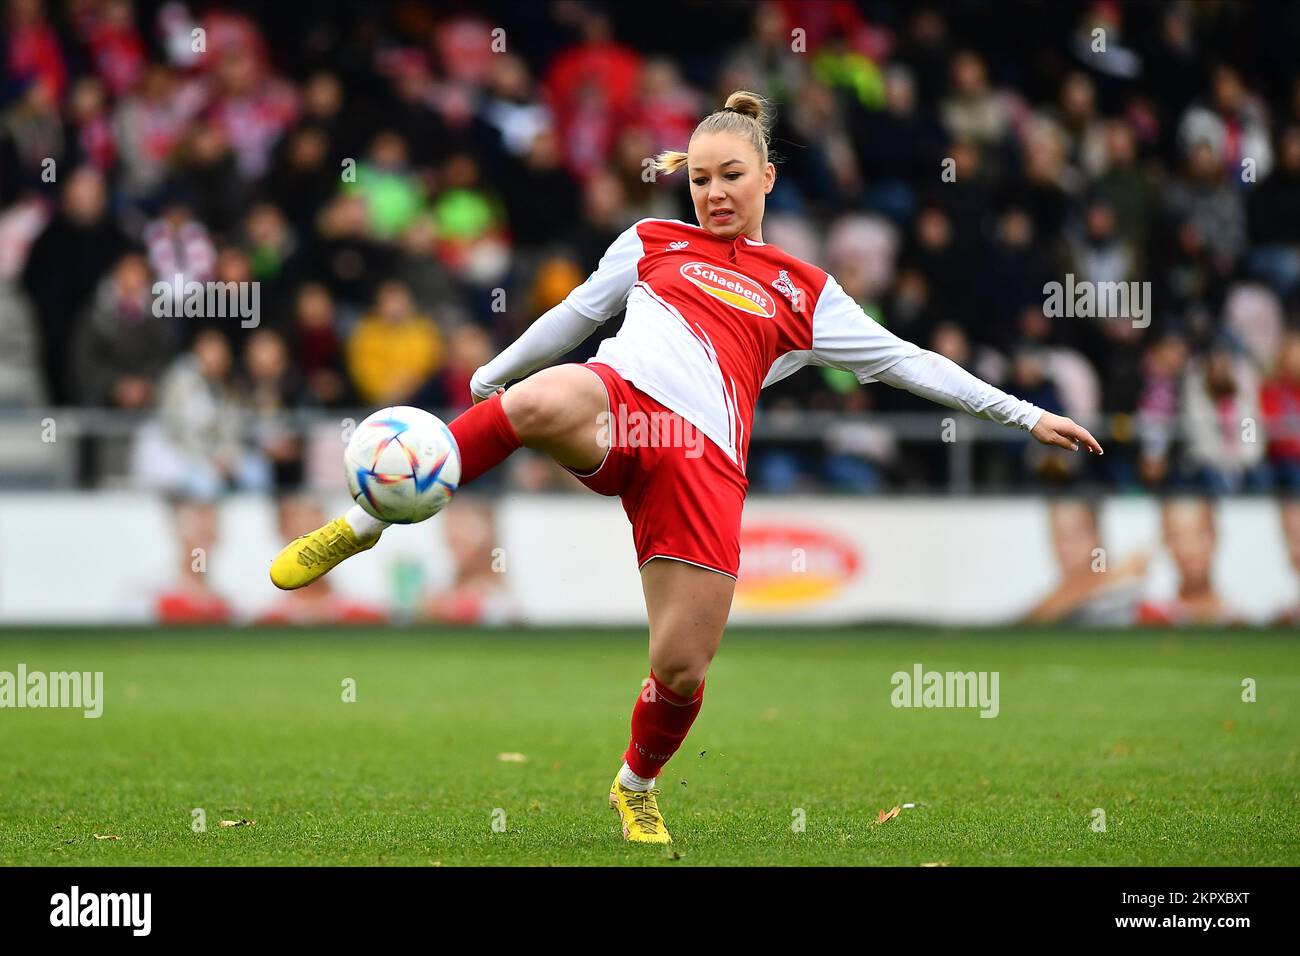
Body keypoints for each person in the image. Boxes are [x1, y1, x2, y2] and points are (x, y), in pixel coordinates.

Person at [269, 92, 1102, 844]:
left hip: (701, 464)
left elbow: (908, 361)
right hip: (620, 405)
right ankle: (365, 521)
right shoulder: (651, 241)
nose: (713, 194)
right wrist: (491, 377)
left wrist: (1025, 415)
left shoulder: (803, 290)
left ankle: (636, 785)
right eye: (699, 179)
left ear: (768, 176)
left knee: (679, 667)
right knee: (535, 403)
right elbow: (576, 313)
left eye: (731, 176)